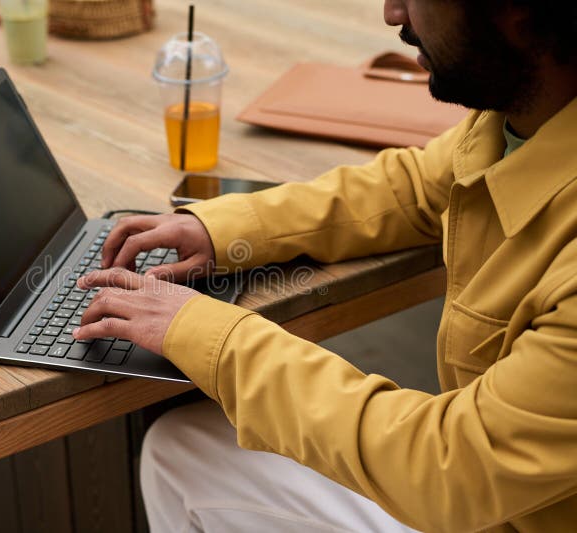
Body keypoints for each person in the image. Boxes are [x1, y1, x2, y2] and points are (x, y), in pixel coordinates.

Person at [72, 0, 577, 530]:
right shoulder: (525, 114)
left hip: (475, 499)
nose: (392, 12)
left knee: (177, 459)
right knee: (180, 446)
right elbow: (413, 187)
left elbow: (451, 468)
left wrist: (206, 333)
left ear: (518, 12)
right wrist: (220, 228)